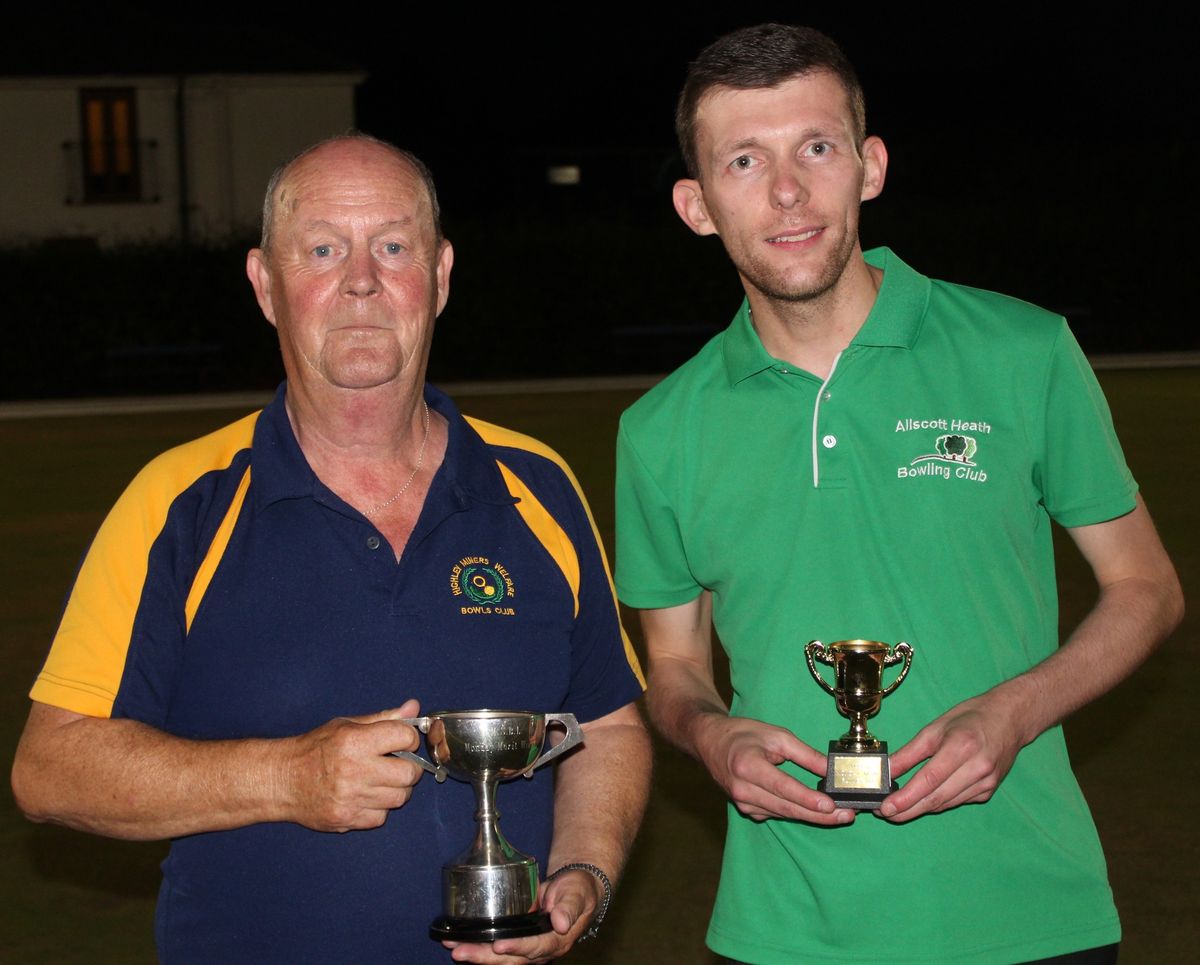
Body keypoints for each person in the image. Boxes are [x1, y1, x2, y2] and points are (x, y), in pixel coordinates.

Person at [614, 24, 1182, 965]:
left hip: (1030, 916)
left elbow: (1147, 588)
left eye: (818, 148)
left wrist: (1013, 713)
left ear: (870, 167)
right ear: (697, 204)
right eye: (745, 160)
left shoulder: (1023, 350)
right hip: (783, 935)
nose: (787, 191)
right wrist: (712, 739)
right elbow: (673, 669)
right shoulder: (659, 429)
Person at [12, 134, 650, 965]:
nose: (361, 279)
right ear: (266, 284)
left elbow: (607, 723)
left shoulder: (537, 485)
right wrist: (286, 777)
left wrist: (584, 872)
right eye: (322, 249)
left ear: (442, 275)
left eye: (393, 245)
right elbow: (50, 768)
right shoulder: (181, 502)